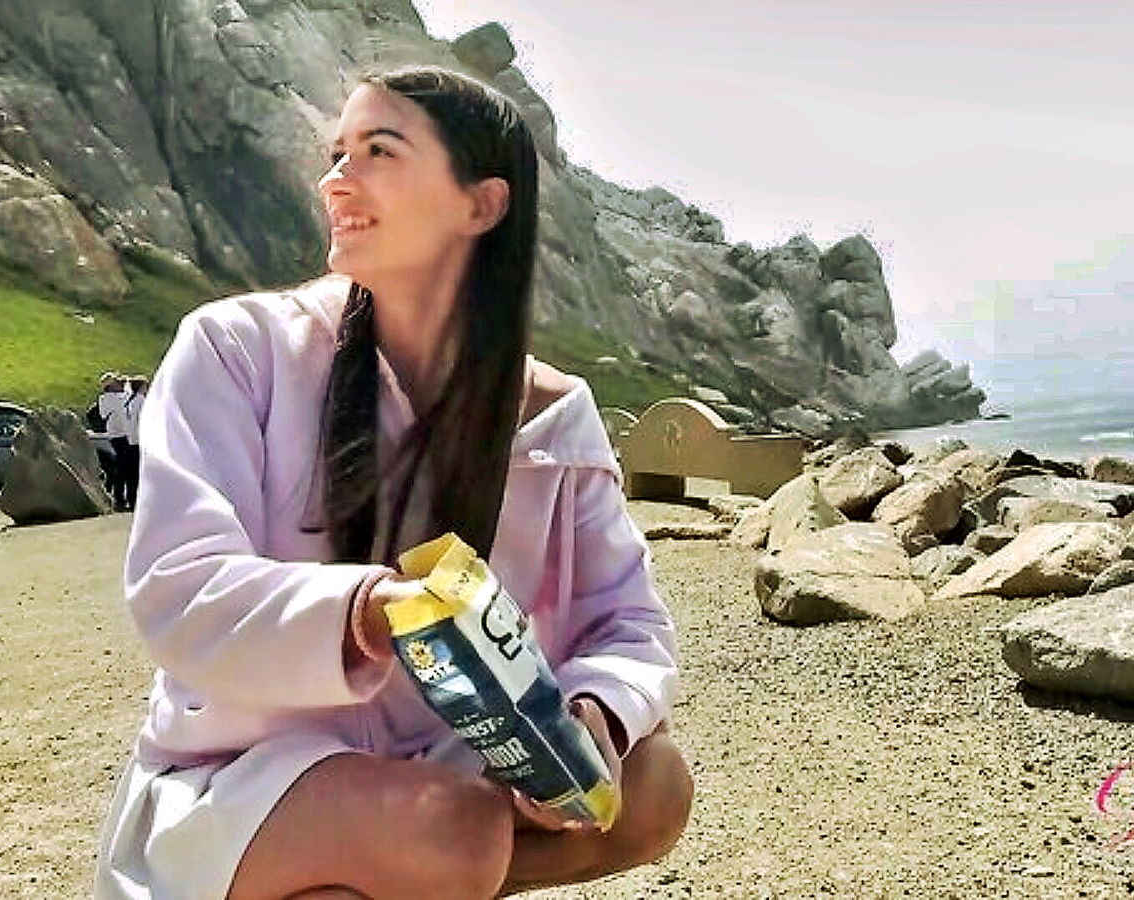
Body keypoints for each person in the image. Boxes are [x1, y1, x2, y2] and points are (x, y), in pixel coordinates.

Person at [94, 66, 690, 900]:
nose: (336, 178)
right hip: (246, 771)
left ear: (480, 205)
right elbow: (178, 588)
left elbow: (628, 623)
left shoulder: (554, 413)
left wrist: (586, 717)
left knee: (652, 785)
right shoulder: (236, 348)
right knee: (455, 832)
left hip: (436, 766)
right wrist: (370, 615)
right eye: (338, 153)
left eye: (378, 150)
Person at [95, 372, 135, 511]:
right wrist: (128, 385)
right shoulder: (109, 398)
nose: (120, 384)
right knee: (124, 467)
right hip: (119, 435)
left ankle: (122, 497)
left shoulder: (112, 398)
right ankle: (120, 498)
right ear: (111, 386)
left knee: (124, 467)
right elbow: (127, 400)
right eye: (117, 383)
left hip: (121, 434)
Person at [124, 375, 147, 508]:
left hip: (131, 439)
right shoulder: (141, 401)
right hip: (139, 440)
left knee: (132, 472)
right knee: (139, 471)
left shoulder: (129, 401)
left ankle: (132, 499)